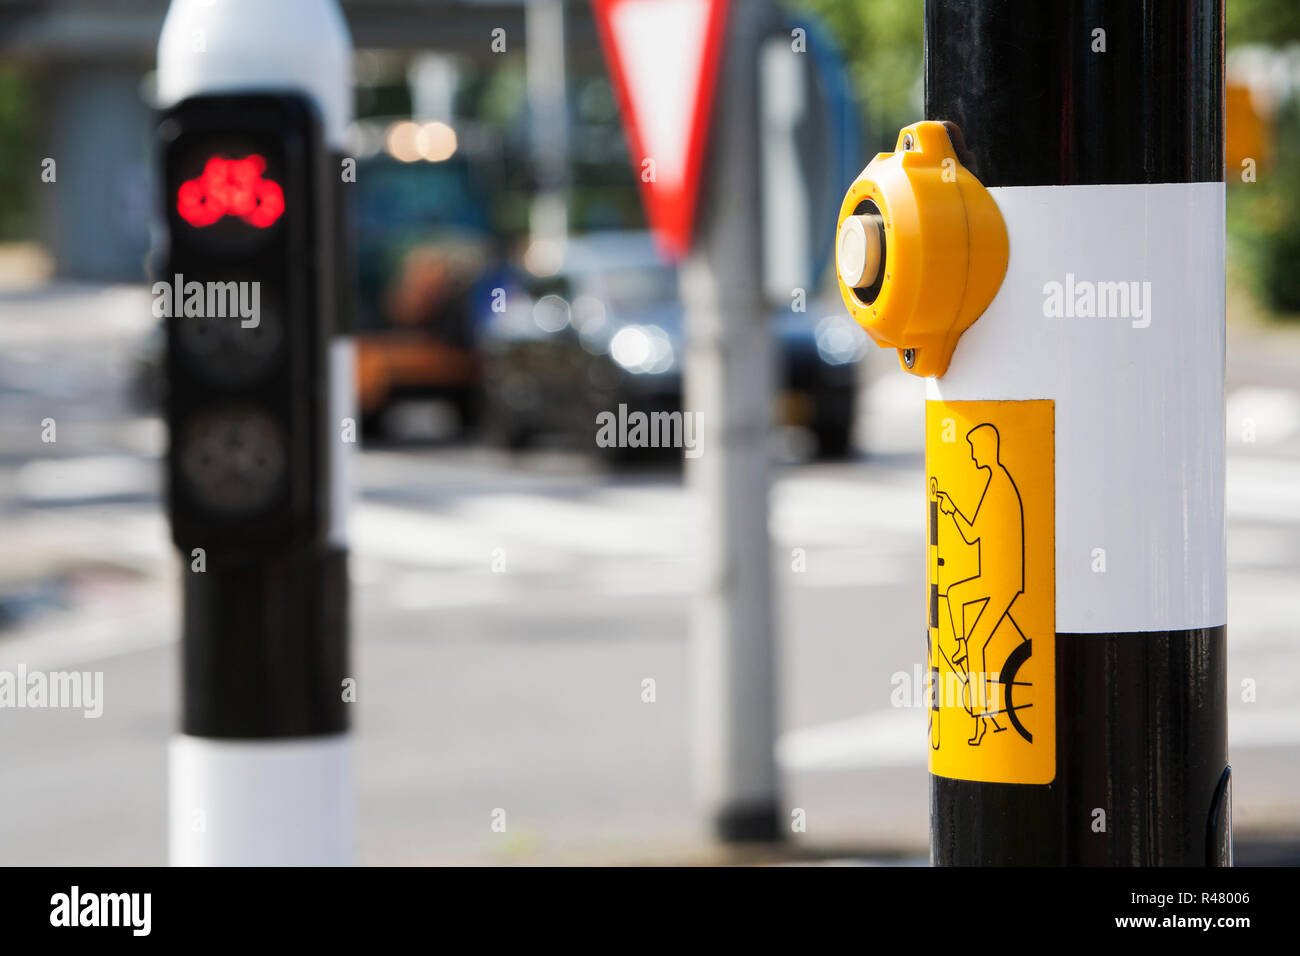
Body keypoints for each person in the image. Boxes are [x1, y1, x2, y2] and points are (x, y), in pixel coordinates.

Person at [936, 424, 1025, 745]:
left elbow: (975, 534)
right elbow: (976, 534)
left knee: (977, 646)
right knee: (956, 594)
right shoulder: (995, 481)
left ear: (988, 449)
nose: (972, 453)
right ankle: (961, 643)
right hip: (993, 575)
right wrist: (952, 508)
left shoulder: (999, 484)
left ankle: (986, 723)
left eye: (975, 447)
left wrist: (953, 511)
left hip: (1002, 579)